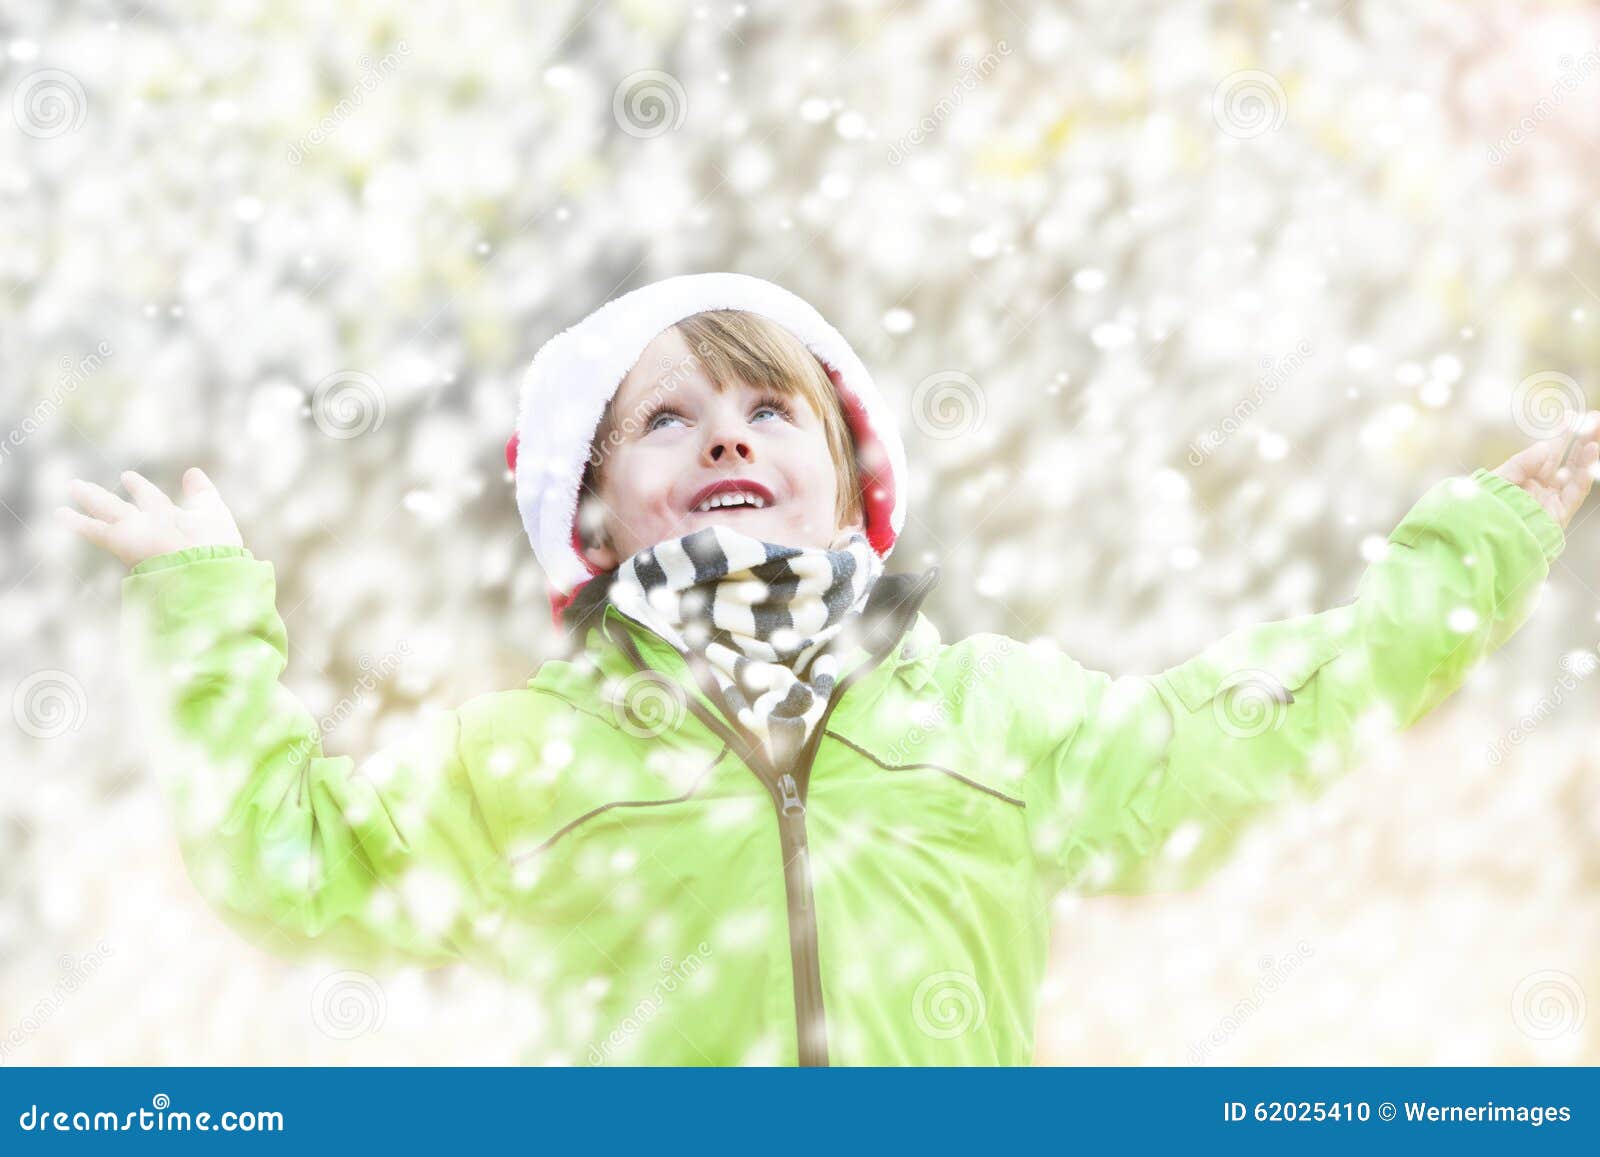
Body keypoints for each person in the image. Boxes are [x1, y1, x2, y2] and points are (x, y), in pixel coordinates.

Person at [58, 272, 1600, 1065]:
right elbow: (292, 861)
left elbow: (1252, 726)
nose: (725, 437)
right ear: (592, 512)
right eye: (667, 419)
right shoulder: (523, 759)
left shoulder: (989, 716)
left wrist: (1471, 555)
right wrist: (204, 609)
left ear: (848, 476)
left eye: (766, 409)